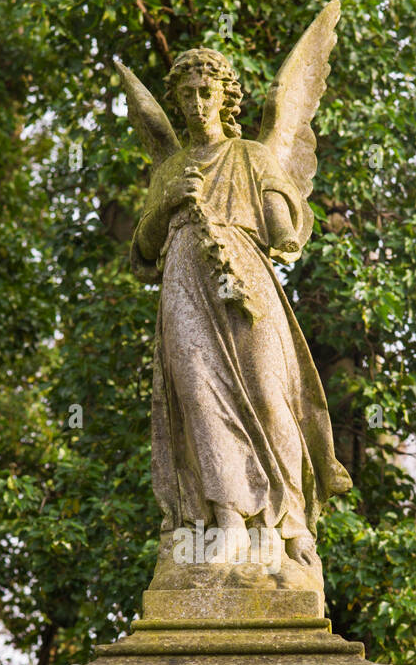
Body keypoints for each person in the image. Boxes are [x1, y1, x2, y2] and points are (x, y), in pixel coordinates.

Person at [130, 47, 351, 572]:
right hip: (184, 282)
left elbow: (286, 233)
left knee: (271, 395)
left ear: (226, 97)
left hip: (245, 281)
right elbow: (141, 254)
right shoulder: (171, 169)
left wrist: (277, 204)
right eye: (186, 95)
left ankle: (290, 522)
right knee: (200, 397)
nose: (196, 103)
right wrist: (165, 206)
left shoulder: (251, 155)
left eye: (207, 92)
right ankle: (228, 519)